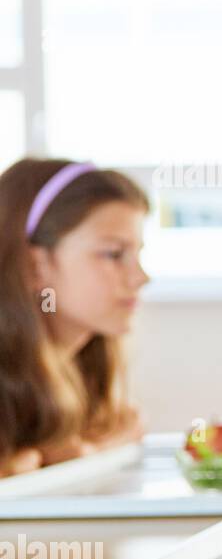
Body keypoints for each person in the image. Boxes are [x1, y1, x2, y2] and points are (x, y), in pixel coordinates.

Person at [0, 158, 150, 476]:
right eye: (113, 254)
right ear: (35, 266)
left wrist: (89, 453)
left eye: (138, 254)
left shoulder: (91, 380)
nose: (140, 277)